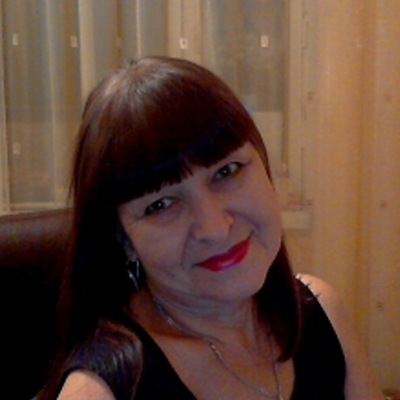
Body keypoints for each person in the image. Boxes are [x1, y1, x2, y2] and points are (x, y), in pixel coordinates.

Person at [38, 56, 383, 400]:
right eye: (161, 205)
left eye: (227, 172)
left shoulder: (321, 310)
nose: (215, 228)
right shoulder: (99, 391)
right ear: (123, 239)